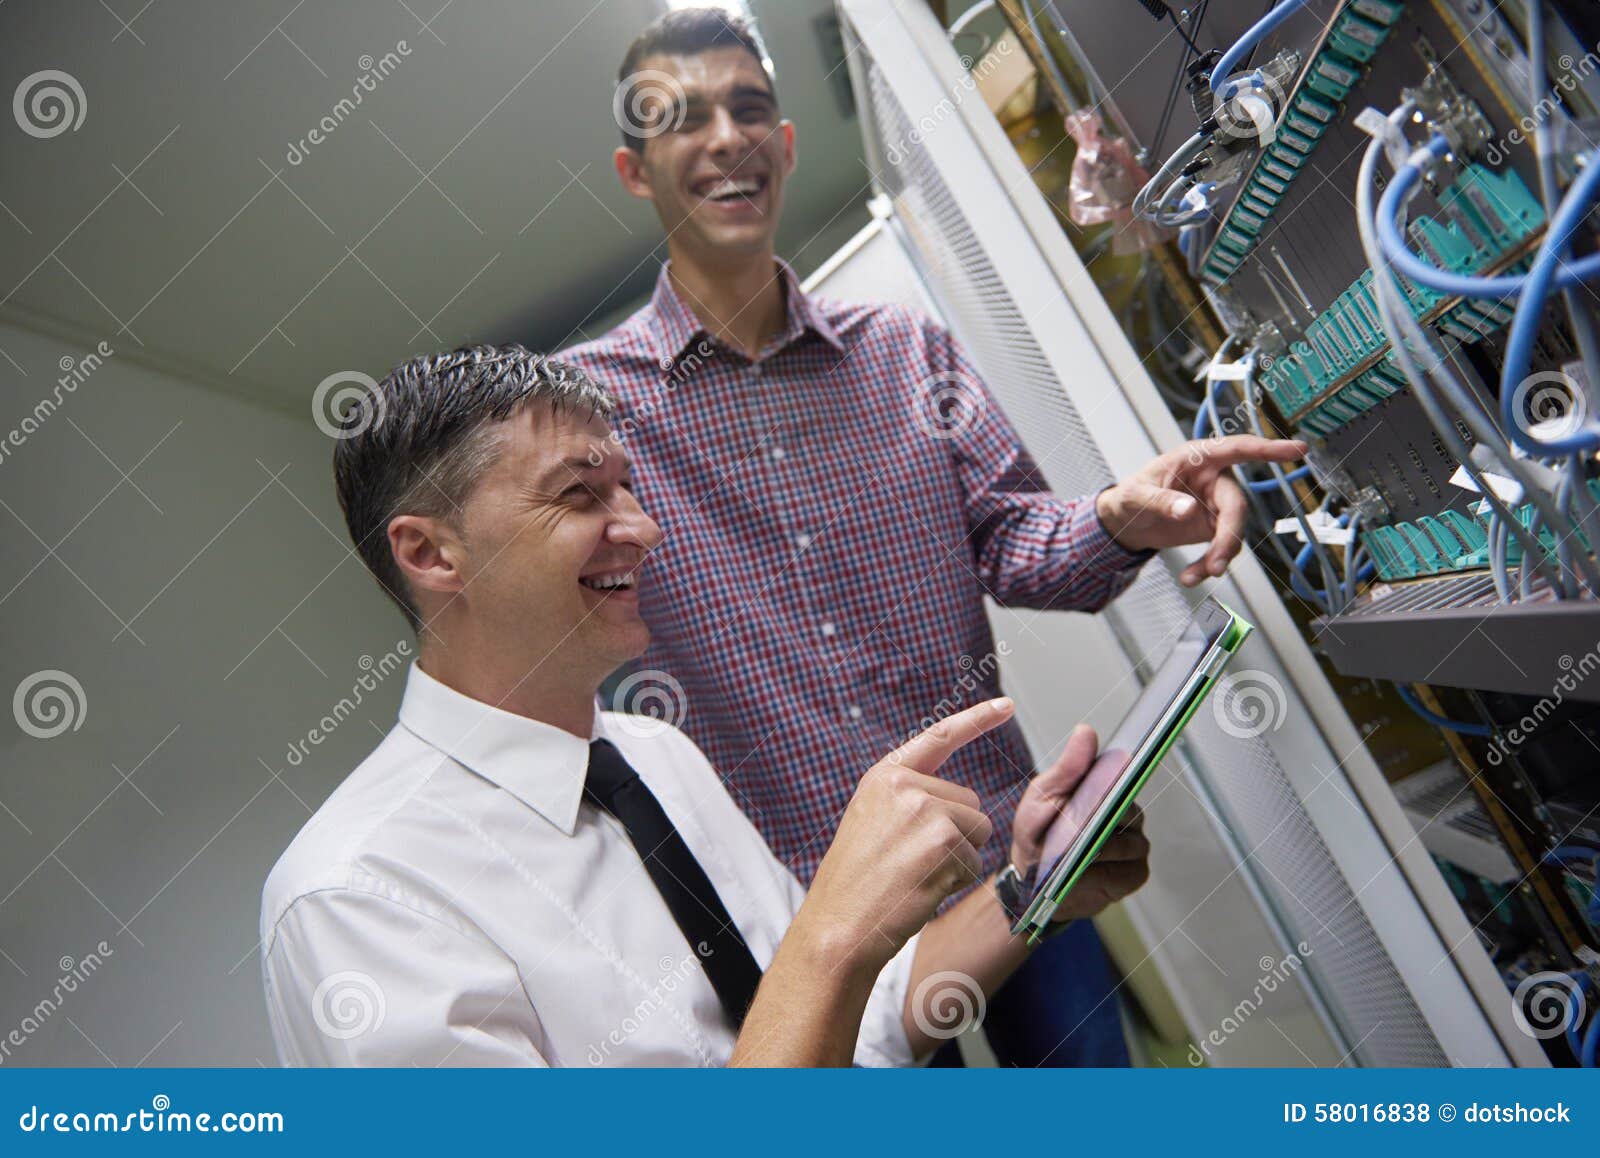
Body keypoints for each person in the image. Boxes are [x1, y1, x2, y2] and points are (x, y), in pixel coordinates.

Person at [557, 8, 1306, 1066]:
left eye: (750, 110)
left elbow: (1014, 542)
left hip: (1005, 853)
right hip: (814, 918)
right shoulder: (589, 417)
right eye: (684, 120)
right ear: (637, 171)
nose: (725, 137)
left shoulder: (906, 351)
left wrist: (1112, 517)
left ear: (786, 146)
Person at [259, 346, 1150, 1066]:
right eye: (580, 494)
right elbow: (821, 974)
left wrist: (1035, 886)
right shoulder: (360, 896)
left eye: (627, 487)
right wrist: (833, 934)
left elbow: (859, 1023)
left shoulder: (654, 755)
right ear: (433, 554)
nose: (642, 527)